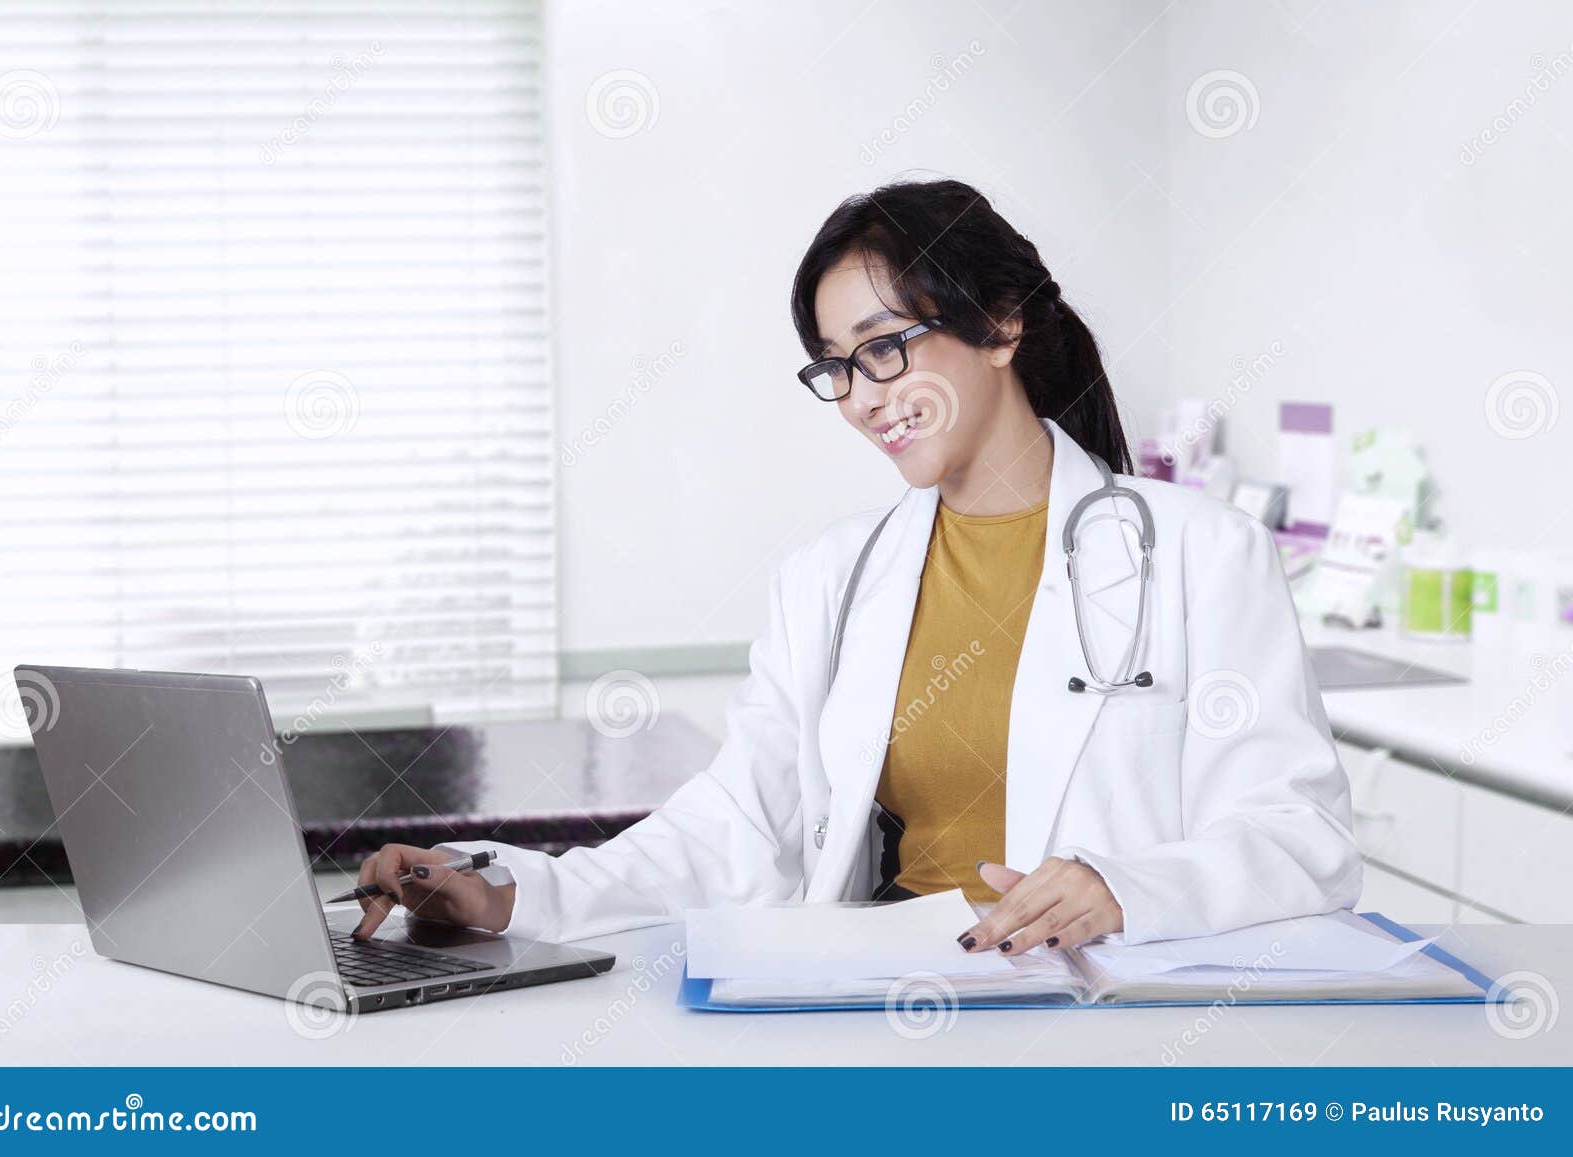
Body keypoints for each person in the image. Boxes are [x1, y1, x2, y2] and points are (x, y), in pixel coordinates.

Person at [351, 178, 1360, 956]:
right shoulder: (830, 579)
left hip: (1101, 1017)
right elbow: (733, 825)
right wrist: (509, 888)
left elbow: (1296, 833)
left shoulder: (1198, 552)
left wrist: (1130, 885)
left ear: (1000, 324)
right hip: (884, 1001)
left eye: (885, 347)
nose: (862, 395)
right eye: (835, 364)